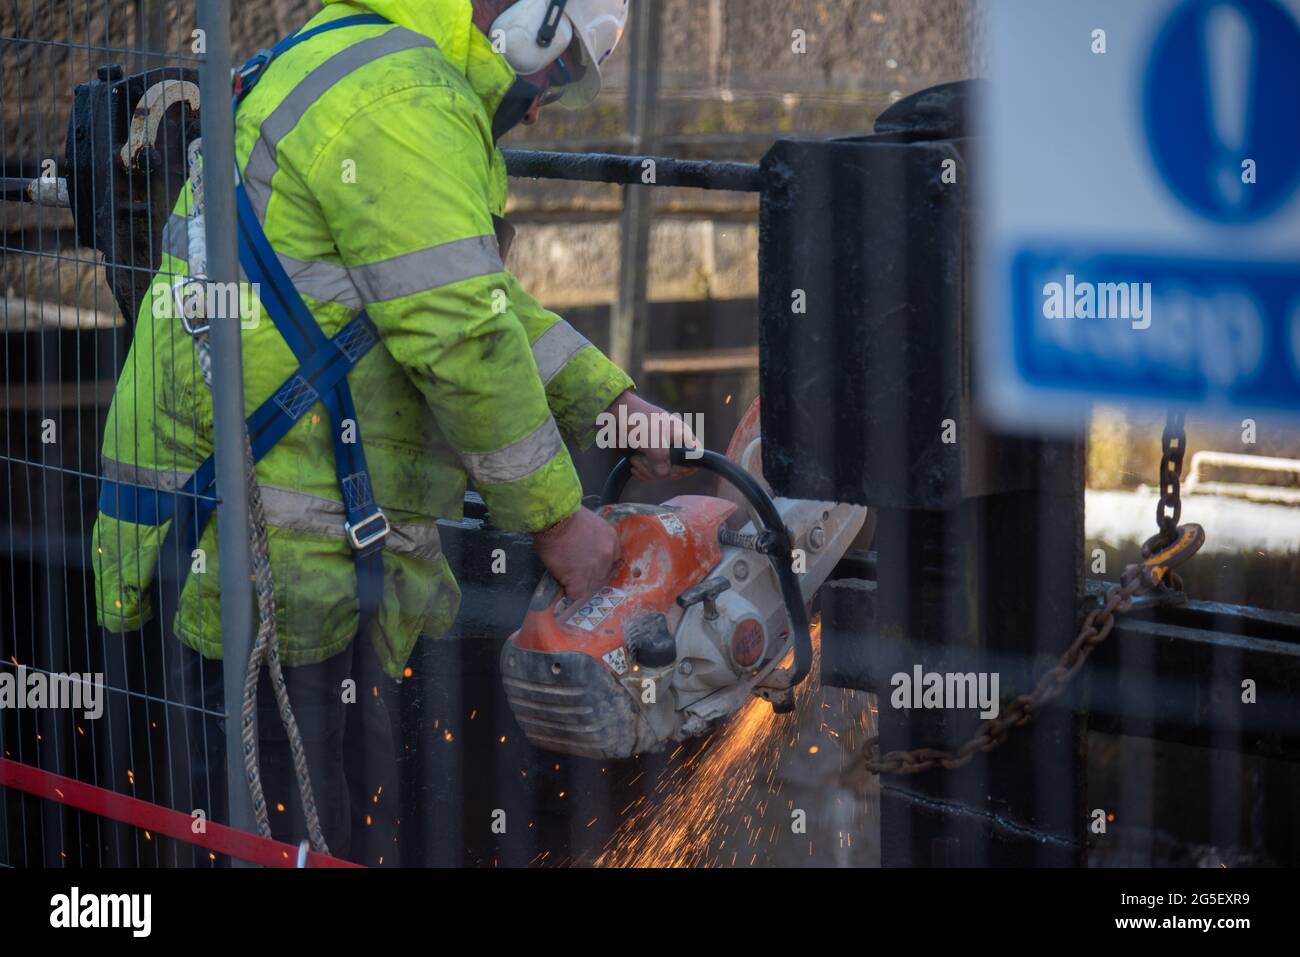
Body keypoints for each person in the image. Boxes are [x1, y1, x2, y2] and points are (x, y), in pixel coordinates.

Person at [91, 0, 694, 864]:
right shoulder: (405, 96)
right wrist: (562, 523)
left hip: (241, 533)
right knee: (292, 837)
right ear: (530, 23)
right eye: (558, 73)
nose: (540, 105)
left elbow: (475, 298)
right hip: (266, 557)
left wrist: (614, 404)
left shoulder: (364, 56)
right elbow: (461, 334)